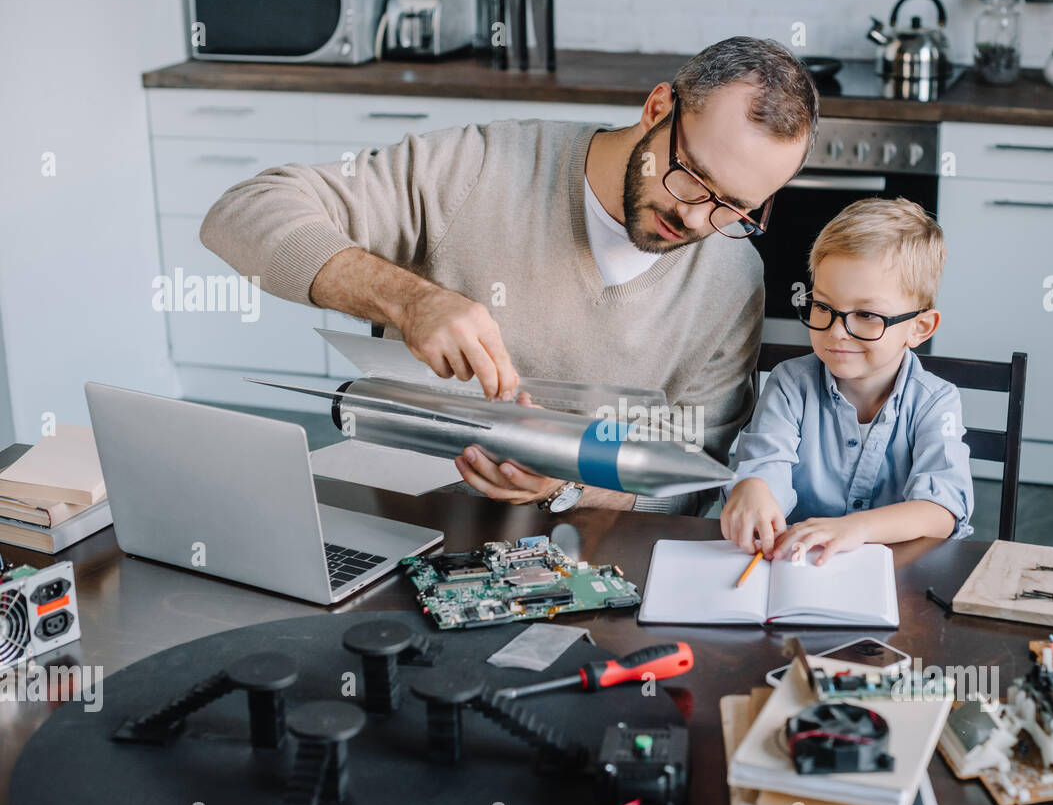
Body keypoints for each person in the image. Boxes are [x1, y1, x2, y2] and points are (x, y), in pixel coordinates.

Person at [200, 37, 817, 516]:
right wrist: (408, 299)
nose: (694, 215)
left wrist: (571, 488)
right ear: (657, 107)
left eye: (732, 207)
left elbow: (695, 473)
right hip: (404, 518)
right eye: (690, 175)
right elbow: (244, 212)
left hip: (581, 557)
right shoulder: (479, 165)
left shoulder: (732, 277)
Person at [719, 197, 973, 564]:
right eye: (823, 307)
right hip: (797, 568)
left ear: (920, 328)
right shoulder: (790, 384)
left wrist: (859, 528)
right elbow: (765, 463)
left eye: (867, 314)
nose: (837, 332)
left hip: (897, 582)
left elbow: (941, 510)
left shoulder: (936, 402)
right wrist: (754, 487)